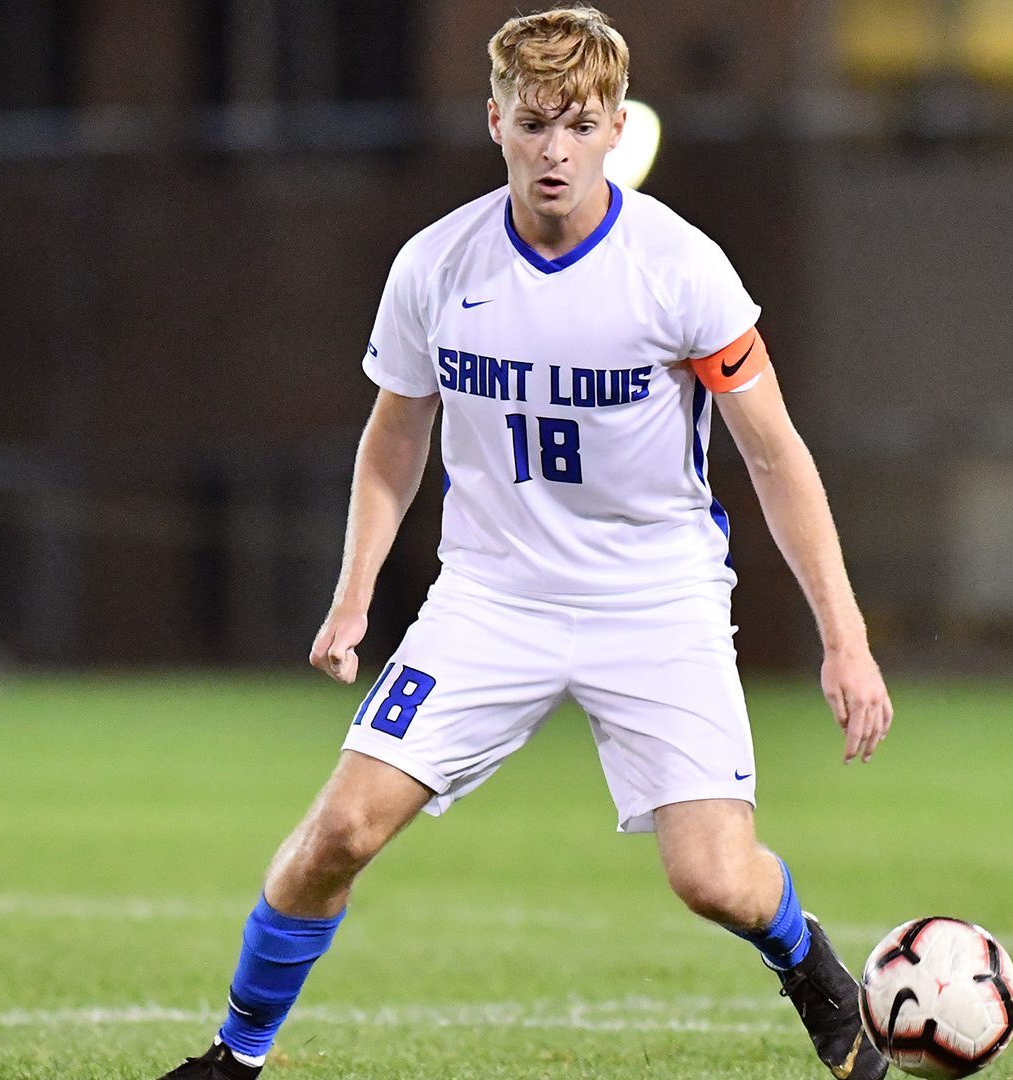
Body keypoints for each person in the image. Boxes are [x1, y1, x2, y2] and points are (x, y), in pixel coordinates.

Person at [156, 7, 894, 1078]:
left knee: (714, 880)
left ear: (612, 128)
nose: (555, 148)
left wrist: (846, 638)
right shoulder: (434, 266)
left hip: (655, 598)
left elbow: (778, 459)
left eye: (580, 124)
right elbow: (392, 440)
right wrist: (356, 591)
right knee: (339, 835)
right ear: (493, 119)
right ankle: (235, 1057)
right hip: (489, 600)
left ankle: (806, 960)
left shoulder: (681, 270)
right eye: (534, 121)